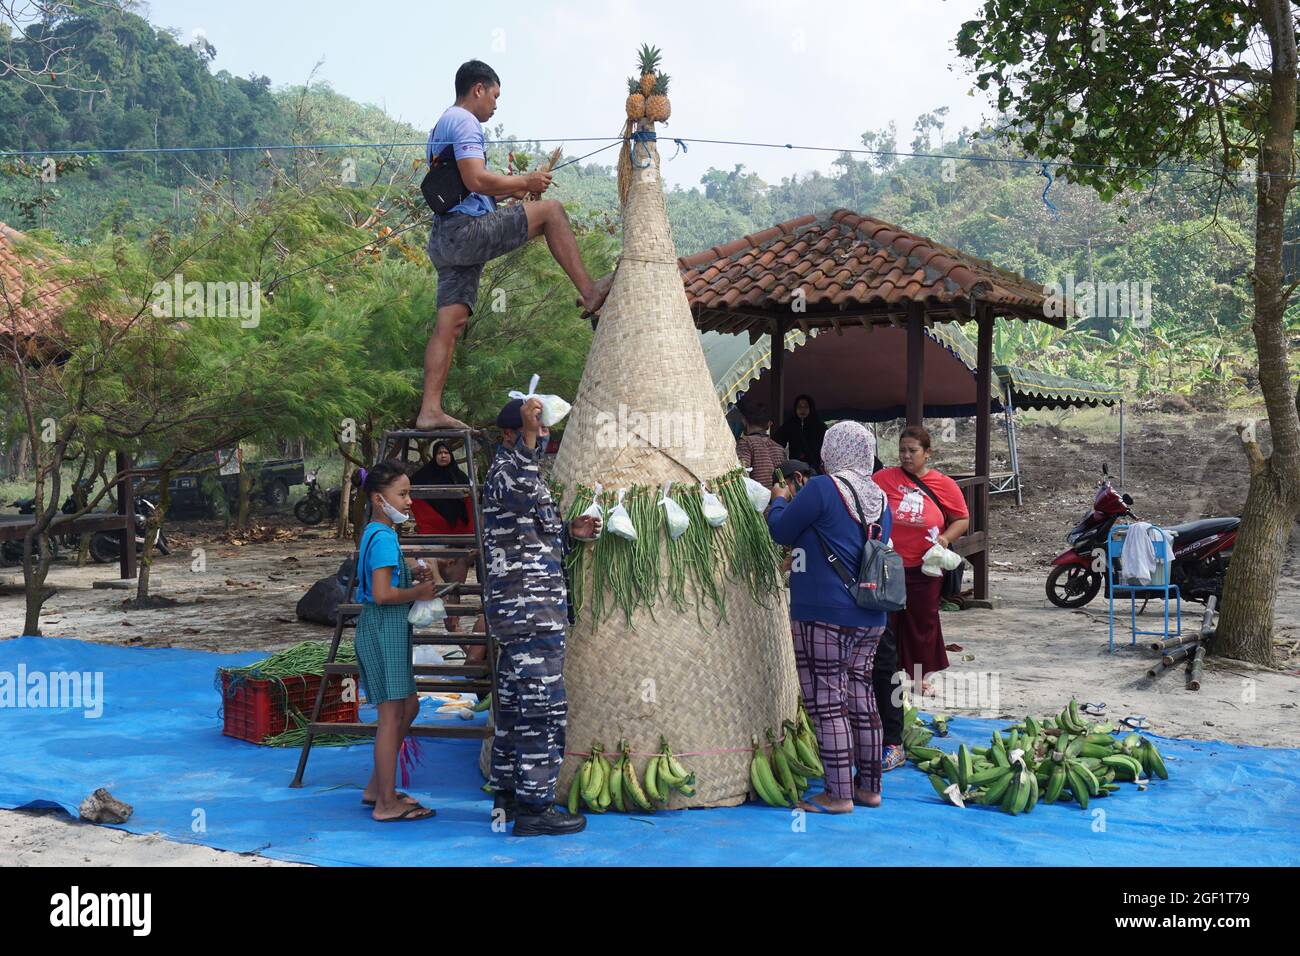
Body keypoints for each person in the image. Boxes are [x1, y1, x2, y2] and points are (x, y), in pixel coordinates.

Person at [416, 60, 612, 430]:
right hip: (465, 231)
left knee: (450, 324)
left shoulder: (442, 125)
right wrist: (525, 179)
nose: (495, 104)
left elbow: (470, 189)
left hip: (446, 237)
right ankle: (589, 292)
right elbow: (475, 179)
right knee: (551, 212)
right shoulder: (464, 121)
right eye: (495, 95)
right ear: (478, 89)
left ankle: (430, 409)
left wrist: (519, 190)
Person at [483, 396, 601, 836]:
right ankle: (535, 808)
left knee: (515, 708)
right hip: (528, 612)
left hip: (533, 609)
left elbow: (528, 536)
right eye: (536, 429)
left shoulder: (526, 475)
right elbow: (516, 490)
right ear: (510, 435)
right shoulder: (507, 470)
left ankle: (509, 795)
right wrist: (529, 439)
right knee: (543, 711)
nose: (545, 436)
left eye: (547, 430)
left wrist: (570, 532)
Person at [765, 421, 893, 814]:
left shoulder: (823, 487)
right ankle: (869, 789)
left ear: (832, 450)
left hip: (823, 611)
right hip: (871, 613)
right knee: (861, 696)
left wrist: (780, 498)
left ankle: (837, 795)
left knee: (827, 700)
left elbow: (781, 531)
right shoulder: (881, 497)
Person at [354, 461, 440, 822]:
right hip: (383, 631)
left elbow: (386, 583)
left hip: (383, 630)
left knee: (409, 706)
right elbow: (383, 593)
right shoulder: (386, 537)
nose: (409, 501)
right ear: (378, 498)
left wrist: (411, 576)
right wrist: (418, 590)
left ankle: (378, 788)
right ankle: (385, 804)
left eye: (409, 494)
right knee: (391, 716)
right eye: (402, 494)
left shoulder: (377, 532)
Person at [872, 425, 970, 698]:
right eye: (902, 450)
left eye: (912, 451)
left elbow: (962, 518)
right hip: (889, 567)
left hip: (925, 567)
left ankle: (919, 677)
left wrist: (945, 539)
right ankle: (885, 676)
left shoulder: (944, 485)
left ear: (927, 453)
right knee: (886, 623)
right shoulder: (883, 478)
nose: (905, 456)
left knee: (921, 623)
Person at [773, 393, 828, 472]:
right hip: (796, 466)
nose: (802, 410)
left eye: (806, 407)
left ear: (810, 408)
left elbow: (825, 446)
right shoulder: (790, 424)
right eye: (799, 407)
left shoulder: (819, 426)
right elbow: (777, 441)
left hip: (815, 466)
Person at [736, 405, 788, 488]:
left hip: (758, 499)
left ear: (744, 422)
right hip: (778, 497)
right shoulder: (779, 448)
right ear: (769, 424)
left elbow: (742, 473)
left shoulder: (745, 443)